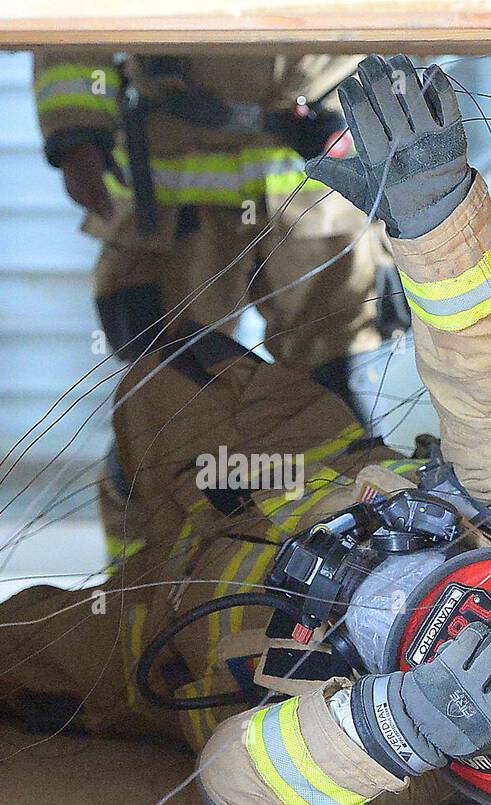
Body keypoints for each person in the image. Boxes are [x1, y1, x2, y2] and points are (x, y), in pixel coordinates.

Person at [0, 56, 491, 805]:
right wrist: (436, 222)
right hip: (295, 477)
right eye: (489, 628)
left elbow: (235, 779)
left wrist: (400, 725)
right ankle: (135, 505)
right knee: (166, 367)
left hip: (166, 627)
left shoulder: (427, 770)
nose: (466, 638)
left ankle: (124, 568)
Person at [32, 50, 403, 563]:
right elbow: (73, 31)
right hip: (177, 178)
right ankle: (142, 593)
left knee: (341, 387)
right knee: (165, 394)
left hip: (322, 165)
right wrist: (76, 132)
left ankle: (360, 581)